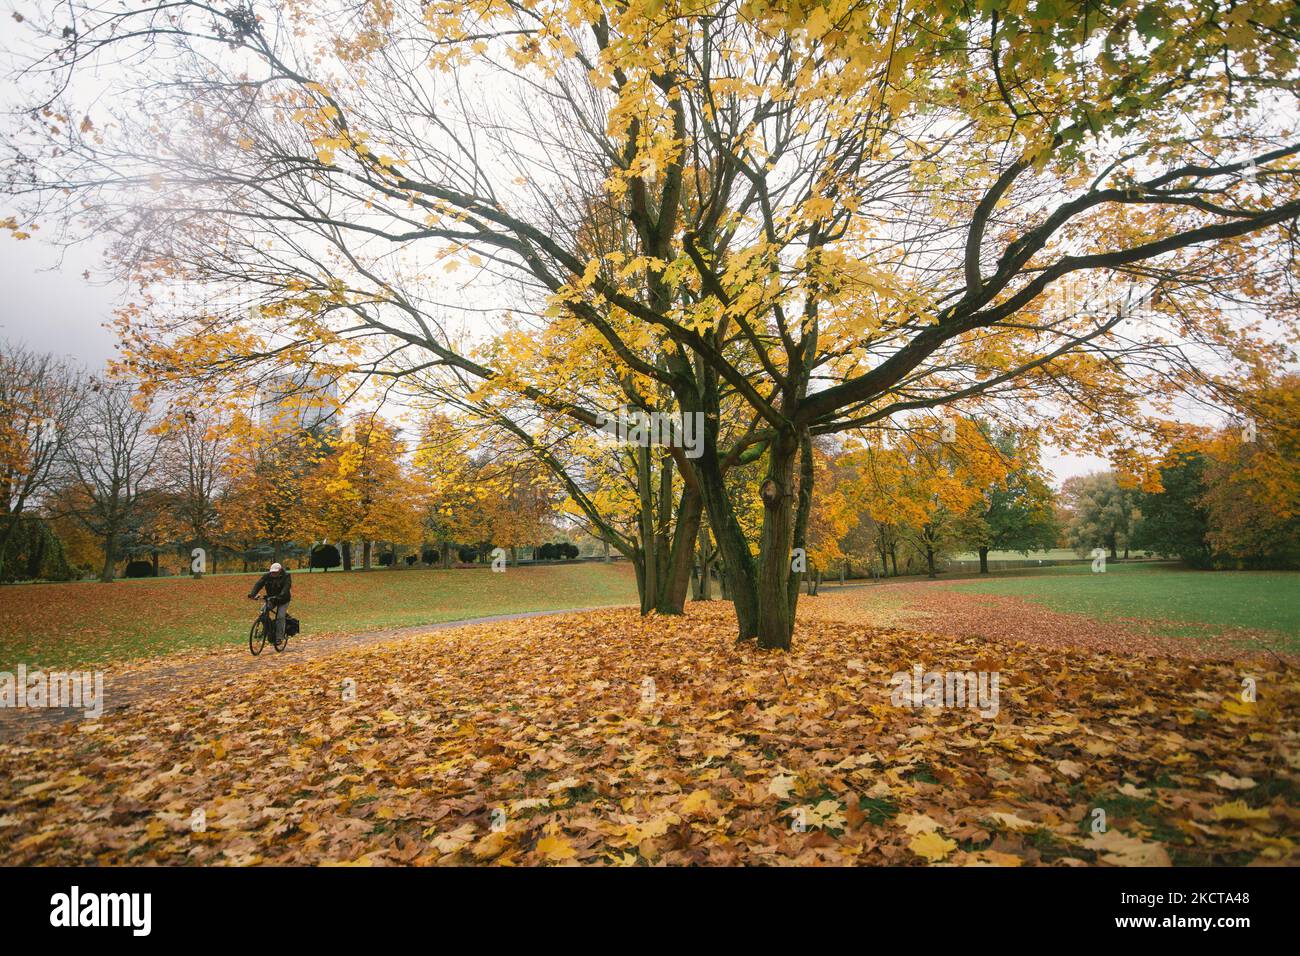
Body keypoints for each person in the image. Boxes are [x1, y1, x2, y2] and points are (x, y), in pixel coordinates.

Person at [248, 562, 292, 648]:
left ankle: (279, 637)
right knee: (263, 611)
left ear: (280, 571)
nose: (273, 574)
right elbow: (259, 584)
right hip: (271, 599)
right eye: (272, 572)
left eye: (275, 572)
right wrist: (253, 594)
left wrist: (281, 595)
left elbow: (286, 587)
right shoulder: (267, 576)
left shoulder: (286, 576)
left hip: (283, 600)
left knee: (280, 616)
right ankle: (267, 629)